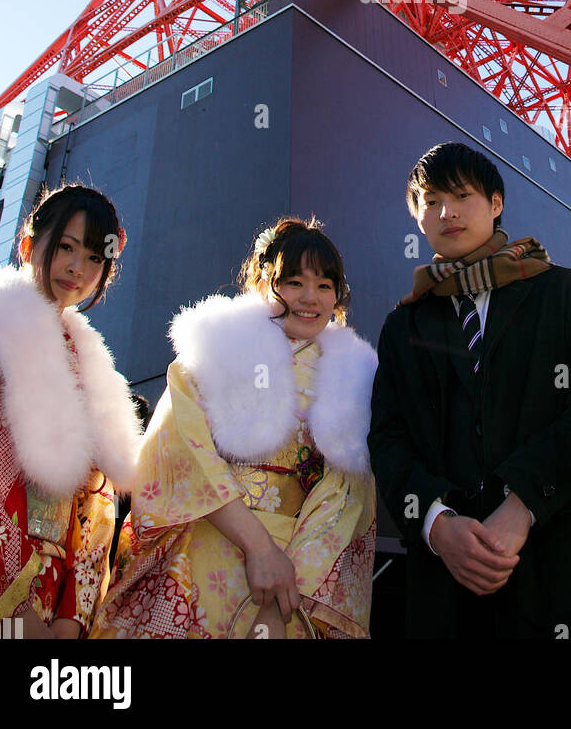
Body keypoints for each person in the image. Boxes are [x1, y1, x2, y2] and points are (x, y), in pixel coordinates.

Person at [367, 141, 571, 639]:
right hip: (448, 589)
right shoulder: (402, 325)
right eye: (430, 201)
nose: (446, 212)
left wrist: (522, 506)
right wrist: (436, 523)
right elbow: (388, 440)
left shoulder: (561, 291)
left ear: (496, 203)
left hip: (568, 562)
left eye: (461, 195)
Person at [92, 216, 377, 639]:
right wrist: (258, 547)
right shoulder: (215, 349)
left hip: (296, 569)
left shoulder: (348, 377)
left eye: (324, 285)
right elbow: (180, 448)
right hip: (203, 545)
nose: (310, 298)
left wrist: (286, 591)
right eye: (295, 282)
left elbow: (346, 497)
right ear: (264, 282)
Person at [0, 183, 141, 638]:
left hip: (54, 587)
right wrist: (16, 609)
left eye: (94, 257)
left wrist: (72, 616)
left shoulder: (88, 362)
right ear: (28, 244)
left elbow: (97, 501)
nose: (78, 268)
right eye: (67, 247)